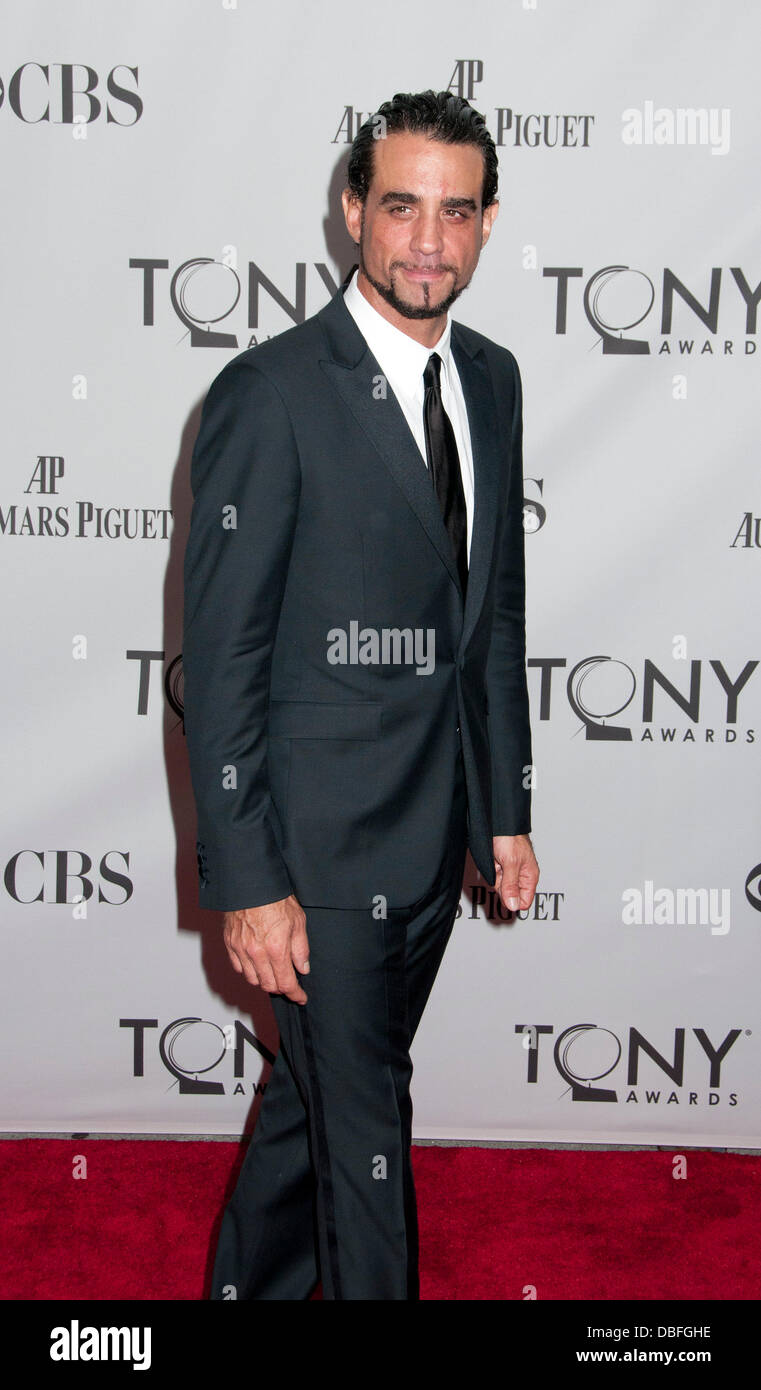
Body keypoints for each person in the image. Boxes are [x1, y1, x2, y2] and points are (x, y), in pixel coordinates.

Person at [182, 89, 539, 1301]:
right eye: (399, 206)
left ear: (489, 224)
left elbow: (486, 613)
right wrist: (250, 883)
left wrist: (502, 808)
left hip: (434, 843)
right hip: (318, 863)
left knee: (318, 1106)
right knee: (370, 1146)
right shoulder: (269, 394)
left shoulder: (490, 382)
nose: (426, 240)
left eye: (454, 212)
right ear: (350, 212)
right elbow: (216, 663)